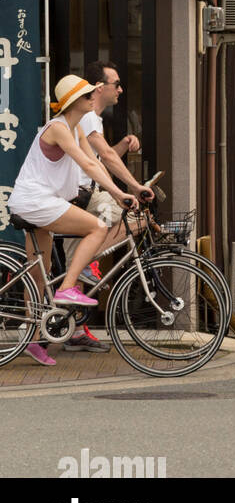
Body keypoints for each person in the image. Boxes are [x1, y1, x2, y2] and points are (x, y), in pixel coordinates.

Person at [6, 74, 138, 367]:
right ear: (74, 102)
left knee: (39, 274)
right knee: (97, 227)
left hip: (37, 202)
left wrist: (123, 190)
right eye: (88, 94)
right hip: (36, 202)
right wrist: (119, 194)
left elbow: (95, 164)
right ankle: (68, 288)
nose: (94, 96)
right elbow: (88, 163)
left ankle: (32, 339)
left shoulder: (74, 128)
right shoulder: (58, 128)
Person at [60, 61, 153, 351]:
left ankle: (73, 328)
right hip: (81, 197)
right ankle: (84, 266)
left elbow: (100, 161)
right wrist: (133, 188)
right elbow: (104, 162)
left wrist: (123, 146)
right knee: (137, 219)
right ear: (100, 88)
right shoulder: (86, 117)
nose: (121, 90)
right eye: (117, 84)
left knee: (75, 272)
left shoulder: (91, 119)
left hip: (86, 194)